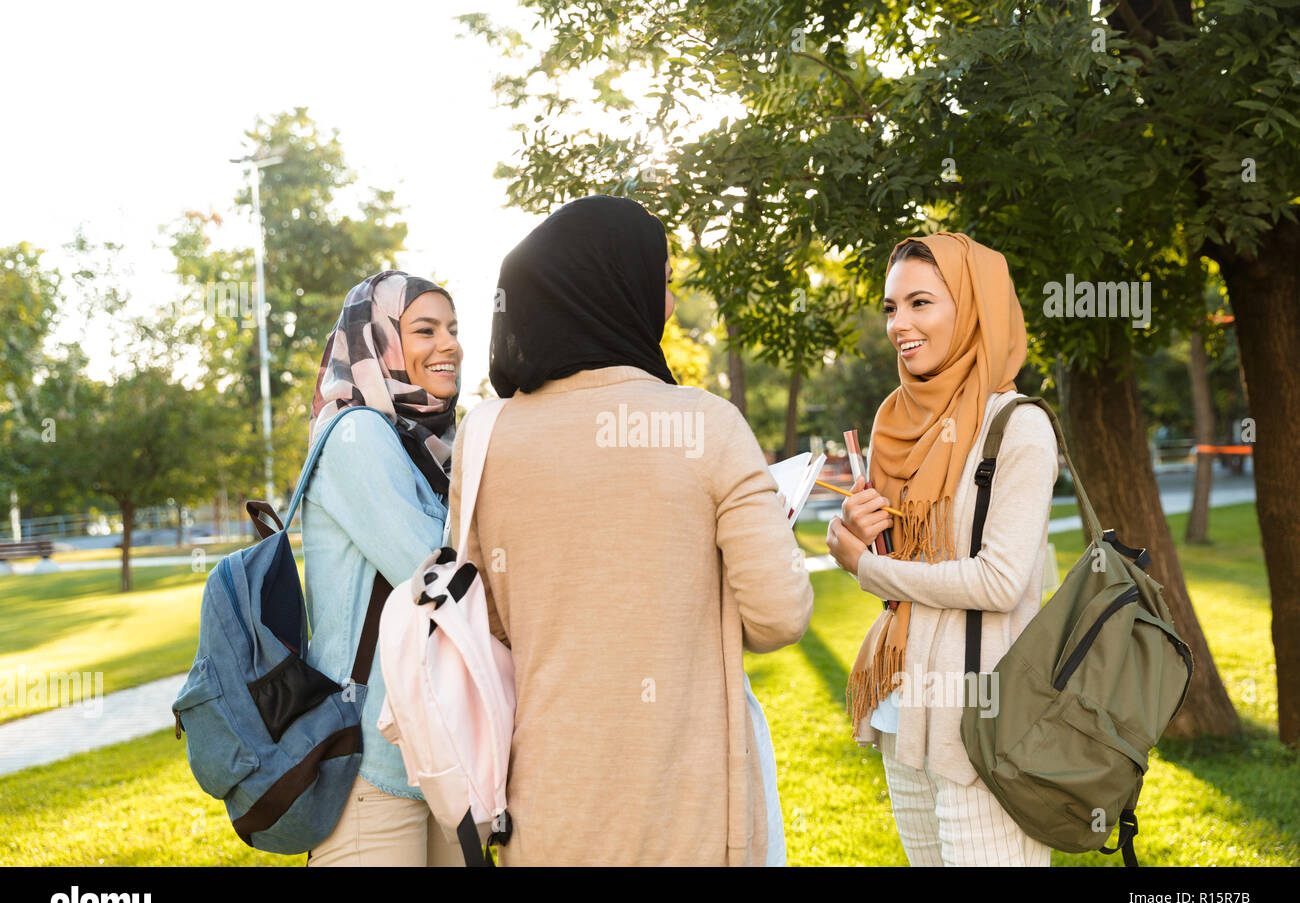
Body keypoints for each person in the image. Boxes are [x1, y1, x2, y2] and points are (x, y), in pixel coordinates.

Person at [449, 194, 814, 866]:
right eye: (664, 282)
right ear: (619, 289)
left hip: (546, 813)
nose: (669, 303)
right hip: (690, 813)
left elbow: (486, 621)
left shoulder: (483, 437)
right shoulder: (707, 424)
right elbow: (778, 617)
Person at [826, 232, 1059, 867]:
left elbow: (999, 582)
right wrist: (857, 532)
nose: (899, 324)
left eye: (920, 303)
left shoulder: (1018, 427)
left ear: (973, 306)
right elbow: (892, 579)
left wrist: (867, 565)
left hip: (981, 721)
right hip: (906, 712)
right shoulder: (895, 423)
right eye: (891, 307)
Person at [300, 270, 488, 866]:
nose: (449, 345)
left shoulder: (430, 444)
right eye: (425, 330)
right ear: (379, 341)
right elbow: (435, 574)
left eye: (453, 329)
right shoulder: (355, 435)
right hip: (367, 763)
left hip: (437, 750)